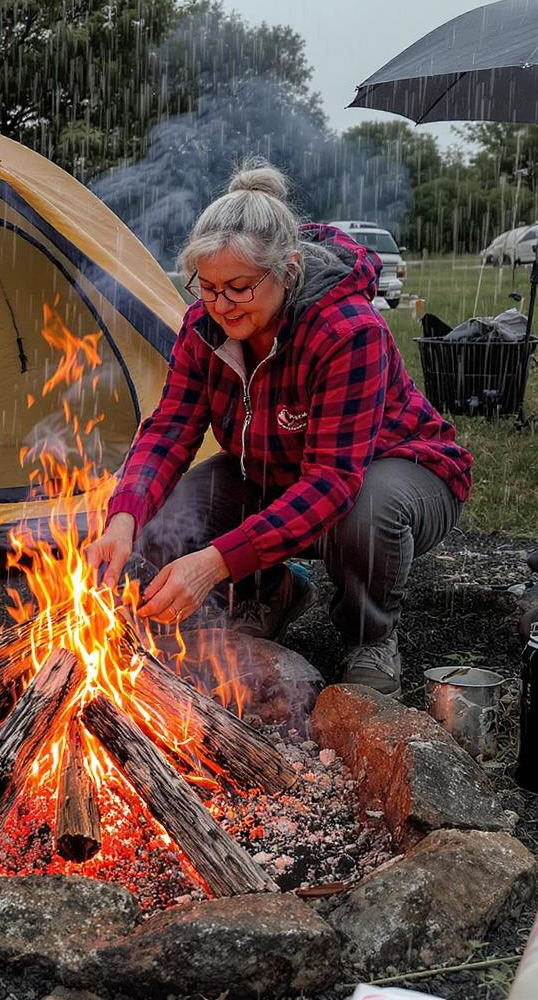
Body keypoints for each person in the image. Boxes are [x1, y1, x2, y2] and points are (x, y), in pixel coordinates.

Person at [85, 160, 472, 697]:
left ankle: (370, 635)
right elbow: (170, 428)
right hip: (276, 470)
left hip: (398, 472)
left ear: (286, 270)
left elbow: (333, 482)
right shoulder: (205, 326)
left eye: (239, 288)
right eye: (208, 287)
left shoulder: (347, 332)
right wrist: (123, 516)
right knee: (169, 517)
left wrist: (215, 563)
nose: (220, 306)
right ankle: (272, 591)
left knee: (365, 510)